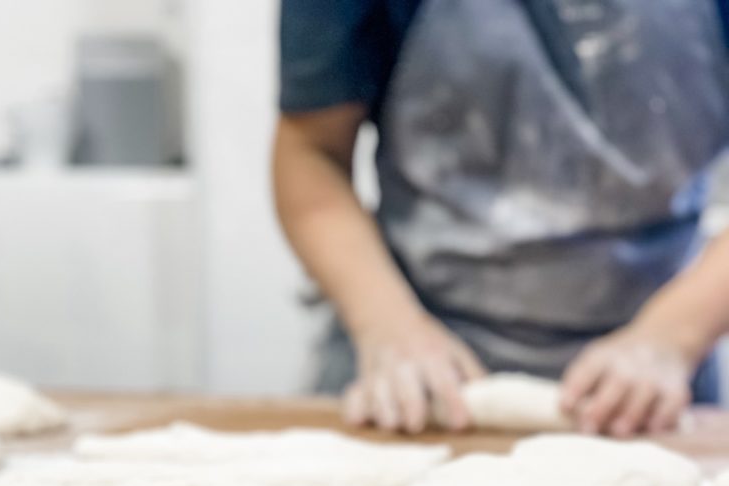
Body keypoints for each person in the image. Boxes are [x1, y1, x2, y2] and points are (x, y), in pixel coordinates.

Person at [274, 0, 729, 435]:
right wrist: (387, 323)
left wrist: (674, 335)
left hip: (655, 382)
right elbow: (311, 150)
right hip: (415, 366)